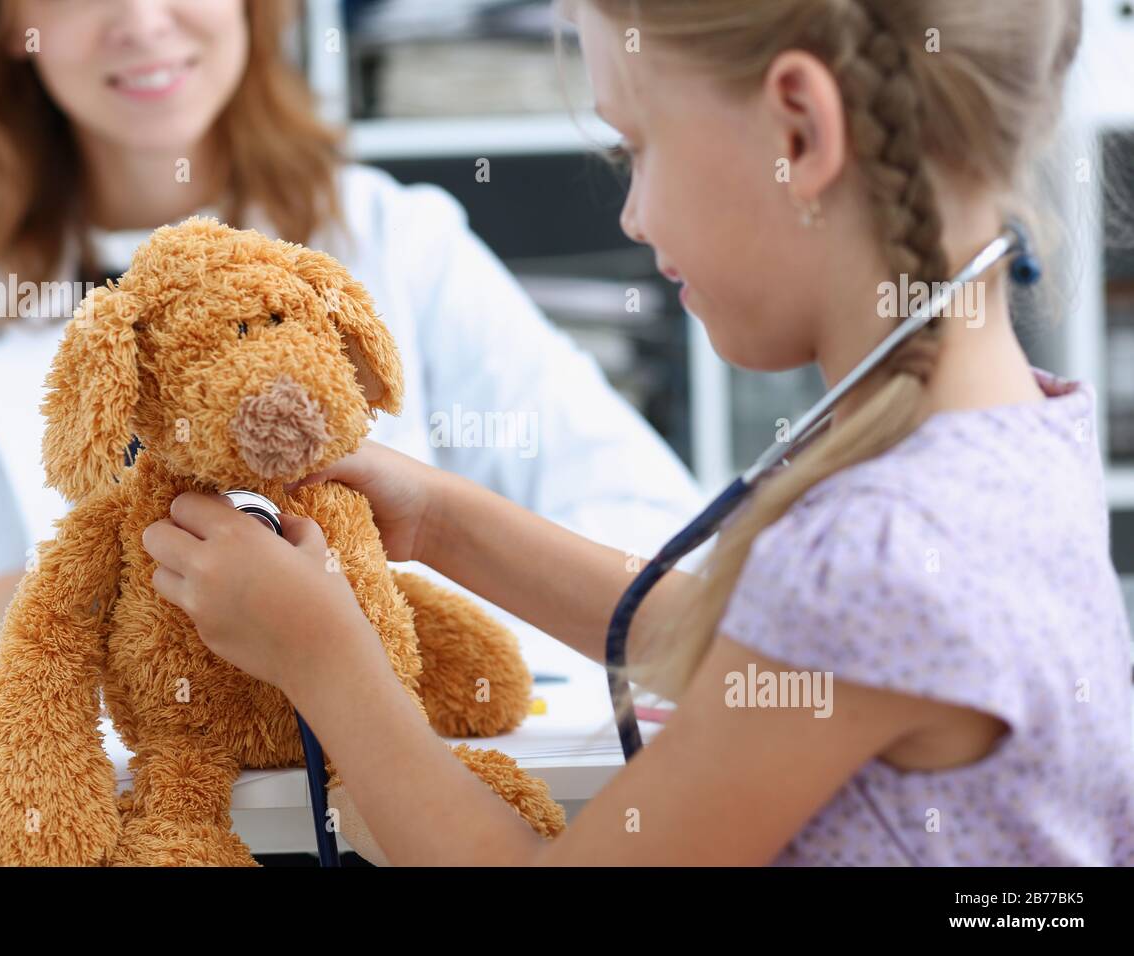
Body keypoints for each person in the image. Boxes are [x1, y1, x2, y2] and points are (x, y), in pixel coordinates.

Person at [141, 0, 1134, 864]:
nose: (632, 215)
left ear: (798, 129)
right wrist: (439, 522)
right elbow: (741, 651)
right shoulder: (1014, 438)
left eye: (636, 149)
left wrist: (320, 656)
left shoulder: (871, 560)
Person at [0, 0, 703, 655]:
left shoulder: (395, 237)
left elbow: (651, 529)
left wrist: (387, 611)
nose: (141, 22)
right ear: (2, 25)